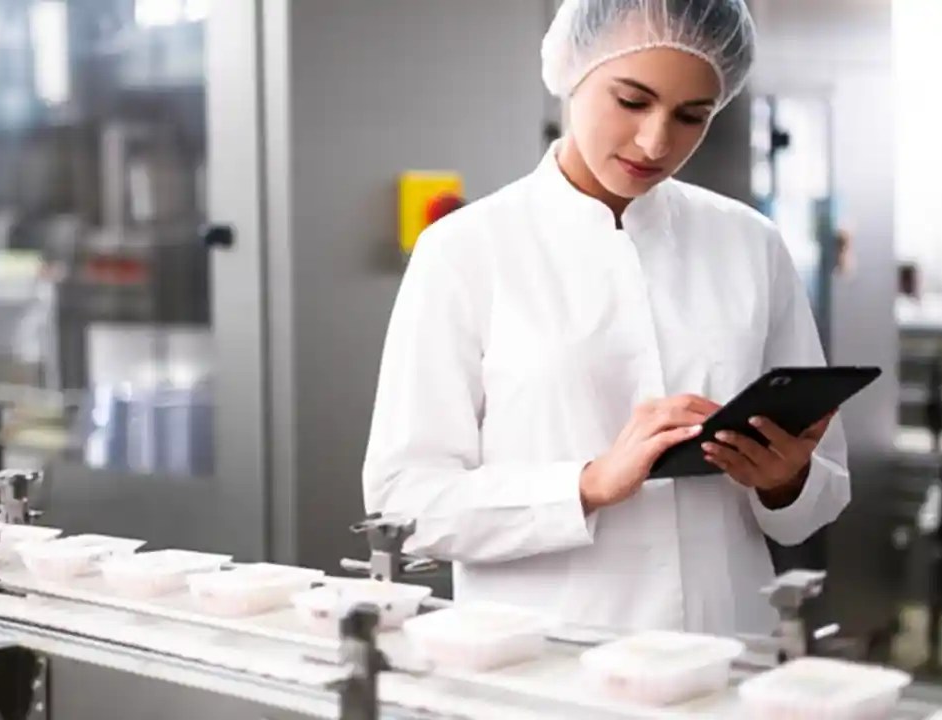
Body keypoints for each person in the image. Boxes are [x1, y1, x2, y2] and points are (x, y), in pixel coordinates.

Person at [361, 0, 849, 635]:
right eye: (631, 101)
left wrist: (785, 481)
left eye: (691, 116)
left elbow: (822, 493)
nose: (656, 142)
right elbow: (405, 501)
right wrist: (587, 485)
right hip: (544, 656)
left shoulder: (750, 244)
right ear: (573, 70)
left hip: (725, 647)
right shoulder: (465, 250)